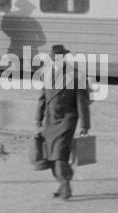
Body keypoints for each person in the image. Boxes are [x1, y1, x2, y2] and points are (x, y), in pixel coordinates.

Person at [36, 44, 90, 200]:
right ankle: (61, 182)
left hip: (67, 120)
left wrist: (84, 124)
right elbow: (42, 98)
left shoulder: (76, 76)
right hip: (50, 120)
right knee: (51, 156)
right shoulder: (47, 74)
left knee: (59, 153)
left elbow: (82, 102)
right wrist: (38, 118)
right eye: (53, 59)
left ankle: (65, 183)